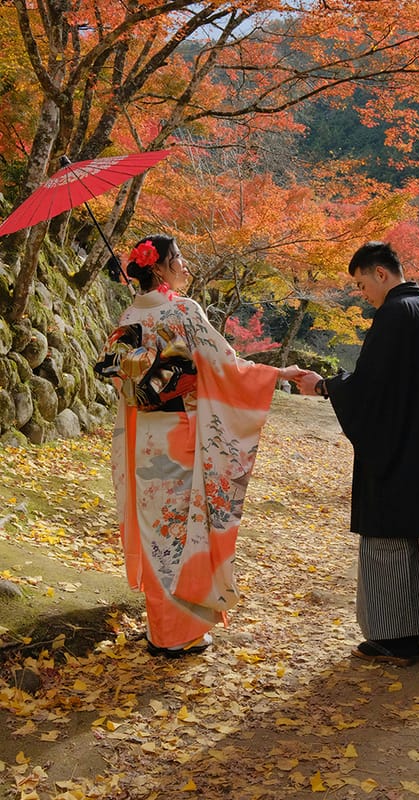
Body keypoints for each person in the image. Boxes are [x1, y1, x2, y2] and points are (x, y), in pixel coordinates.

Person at [95, 235, 305, 657]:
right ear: (159, 267)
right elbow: (226, 366)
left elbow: (121, 378)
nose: (185, 264)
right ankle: (179, 634)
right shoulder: (184, 311)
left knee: (156, 529)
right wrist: (277, 374)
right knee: (181, 530)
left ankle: (161, 629)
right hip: (181, 433)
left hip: (145, 433)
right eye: (178, 258)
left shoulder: (130, 314)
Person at [296, 241, 419, 665]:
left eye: (362, 284)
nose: (362, 294)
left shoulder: (394, 315)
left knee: (392, 539)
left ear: (380, 273)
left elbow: (373, 388)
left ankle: (396, 639)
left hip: (400, 451)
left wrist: (325, 386)